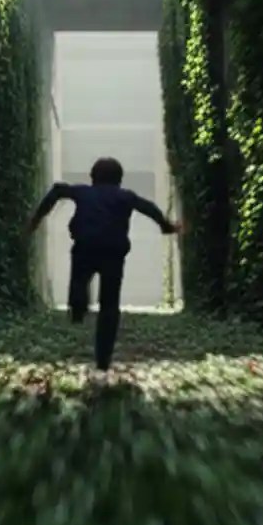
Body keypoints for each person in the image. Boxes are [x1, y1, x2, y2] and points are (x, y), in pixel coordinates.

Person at [26, 157, 183, 373]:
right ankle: (103, 359)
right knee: (110, 305)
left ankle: (78, 305)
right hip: (113, 251)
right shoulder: (125, 196)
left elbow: (58, 190)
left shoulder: (83, 192)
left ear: (93, 177)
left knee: (79, 280)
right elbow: (148, 208)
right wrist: (166, 226)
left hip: (85, 246)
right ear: (119, 179)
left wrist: (35, 219)